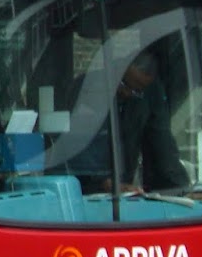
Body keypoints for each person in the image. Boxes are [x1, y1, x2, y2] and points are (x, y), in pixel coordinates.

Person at [74, 49, 188, 193]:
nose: (127, 93)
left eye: (136, 91)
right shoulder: (85, 88)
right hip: (80, 189)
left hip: (122, 191)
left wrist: (184, 189)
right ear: (116, 69)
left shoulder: (150, 94)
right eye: (124, 84)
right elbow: (73, 147)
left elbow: (162, 145)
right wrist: (100, 181)